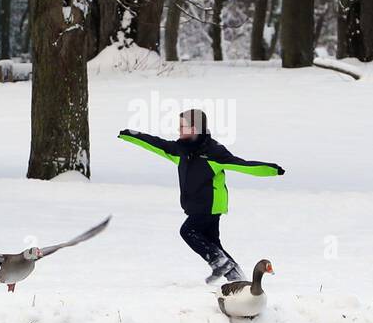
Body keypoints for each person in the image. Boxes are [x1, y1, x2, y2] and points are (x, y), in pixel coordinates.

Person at [119, 108, 284, 283]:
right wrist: (130, 134)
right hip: (195, 206)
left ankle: (219, 263)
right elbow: (155, 143)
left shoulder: (213, 151)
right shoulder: (180, 150)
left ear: (195, 129)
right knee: (213, 243)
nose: (179, 130)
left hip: (209, 205)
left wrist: (272, 170)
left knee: (188, 231)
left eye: (182, 126)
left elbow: (243, 165)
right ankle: (237, 279)